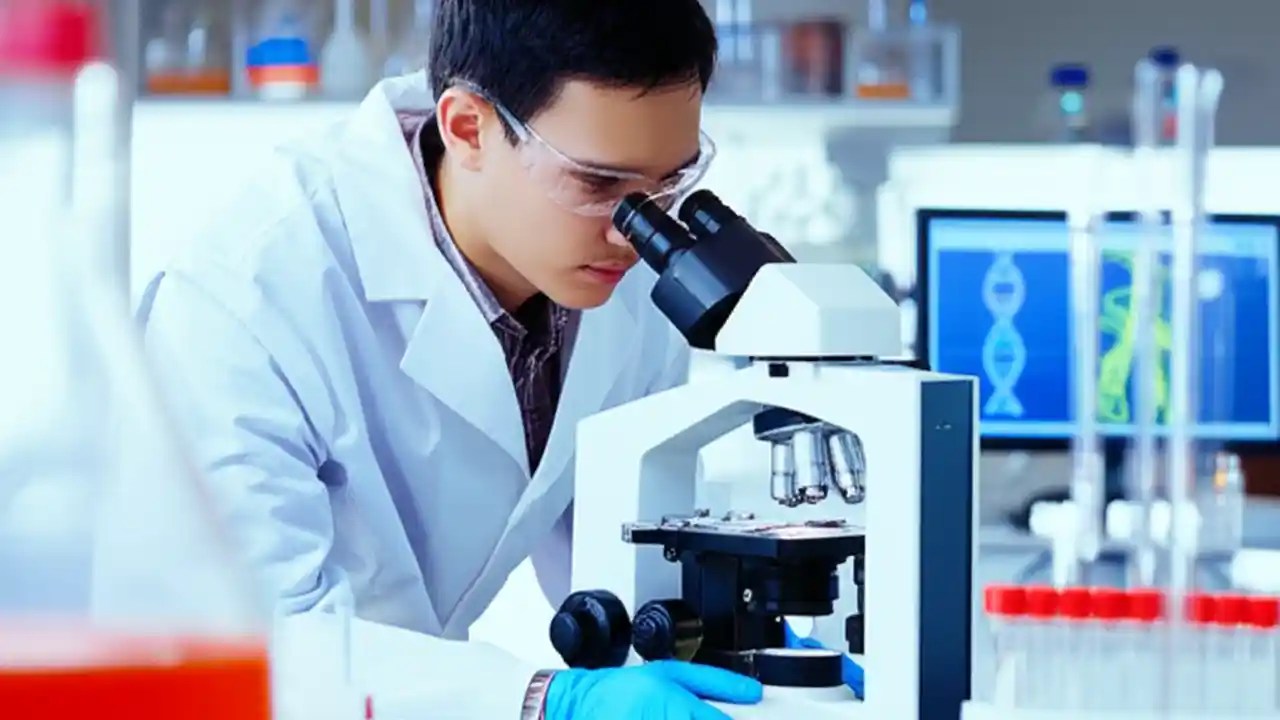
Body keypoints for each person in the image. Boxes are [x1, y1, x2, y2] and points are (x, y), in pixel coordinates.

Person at [135, 0, 769, 718]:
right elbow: (242, 642)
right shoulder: (248, 292)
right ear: (468, 127)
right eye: (598, 186)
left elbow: (624, 569)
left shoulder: (617, 280)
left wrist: (761, 651)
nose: (636, 234)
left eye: (667, 186)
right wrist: (547, 701)